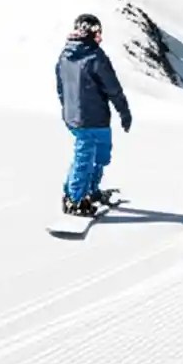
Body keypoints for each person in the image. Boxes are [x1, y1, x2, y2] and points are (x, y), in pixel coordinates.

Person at [55, 13, 131, 215]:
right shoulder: (95, 56)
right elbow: (112, 87)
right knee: (87, 155)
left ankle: (88, 190)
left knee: (98, 155)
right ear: (88, 32)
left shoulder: (65, 55)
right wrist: (124, 111)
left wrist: (67, 109)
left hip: (78, 117)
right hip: (93, 118)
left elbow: (61, 88)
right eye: (97, 33)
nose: (100, 38)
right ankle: (76, 199)